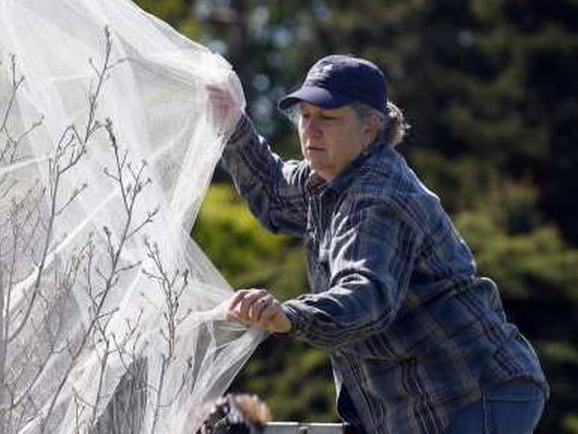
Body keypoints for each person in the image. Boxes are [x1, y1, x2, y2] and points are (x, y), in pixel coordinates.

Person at [207, 55, 548, 434]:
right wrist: (233, 123)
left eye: (328, 118)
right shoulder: (326, 178)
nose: (311, 130)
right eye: (305, 116)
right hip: (418, 406)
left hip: (475, 392)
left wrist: (290, 316)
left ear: (370, 129)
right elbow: (272, 195)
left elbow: (366, 298)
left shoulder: (380, 197)